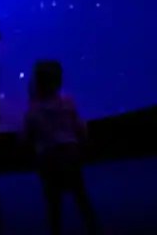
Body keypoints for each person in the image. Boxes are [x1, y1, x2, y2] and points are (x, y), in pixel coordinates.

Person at [22, 60, 100, 235]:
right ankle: (94, 228)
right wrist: (84, 144)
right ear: (58, 80)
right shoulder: (68, 103)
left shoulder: (33, 111)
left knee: (53, 201)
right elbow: (80, 128)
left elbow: (26, 137)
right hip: (71, 153)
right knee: (80, 195)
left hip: (48, 158)